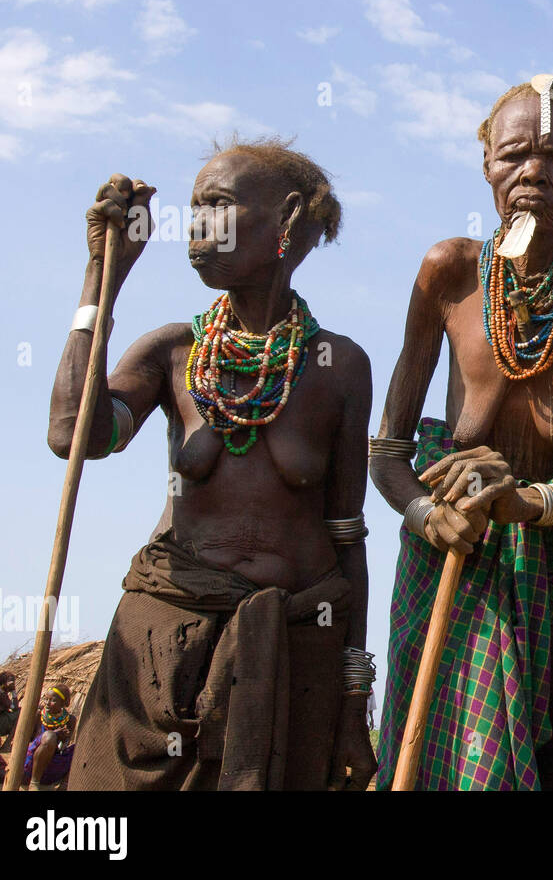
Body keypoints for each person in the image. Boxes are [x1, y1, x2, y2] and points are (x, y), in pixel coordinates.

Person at [48, 140, 376, 790]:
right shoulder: (173, 353)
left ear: (284, 220)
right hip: (162, 642)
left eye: (217, 206)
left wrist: (349, 703)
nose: (195, 225)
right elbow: (74, 436)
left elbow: (349, 540)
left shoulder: (340, 368)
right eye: (193, 209)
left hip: (293, 651)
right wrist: (102, 280)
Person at [371, 75, 553, 790]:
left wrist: (539, 505)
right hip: (455, 552)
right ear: (486, 164)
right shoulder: (450, 269)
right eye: (514, 155)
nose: (534, 173)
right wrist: (431, 518)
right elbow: (388, 450)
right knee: (450, 756)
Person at [22, 685, 76, 791]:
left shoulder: (70, 720)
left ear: (63, 703)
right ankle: (34, 783)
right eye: (46, 699)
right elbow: (27, 740)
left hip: (53, 766)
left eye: (52, 700)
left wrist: (63, 739)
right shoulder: (38, 714)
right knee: (50, 736)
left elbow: (62, 748)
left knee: (80, 747)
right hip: (33, 764)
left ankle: (65, 785)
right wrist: (54, 734)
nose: (47, 702)